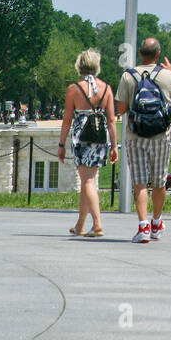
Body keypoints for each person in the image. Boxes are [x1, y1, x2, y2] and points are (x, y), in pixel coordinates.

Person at [116, 38, 171, 243]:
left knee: (139, 182)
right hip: (161, 136)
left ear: (140, 53)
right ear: (158, 55)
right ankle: (157, 222)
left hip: (135, 135)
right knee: (159, 180)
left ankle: (143, 226)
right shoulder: (167, 76)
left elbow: (121, 109)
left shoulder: (128, 76)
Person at [58, 50, 118, 238]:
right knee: (88, 180)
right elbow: (111, 120)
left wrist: (61, 144)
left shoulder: (74, 89)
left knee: (88, 181)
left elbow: (67, 120)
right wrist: (114, 145)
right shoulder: (106, 88)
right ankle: (80, 224)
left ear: (79, 65)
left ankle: (97, 224)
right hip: (100, 137)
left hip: (81, 137)